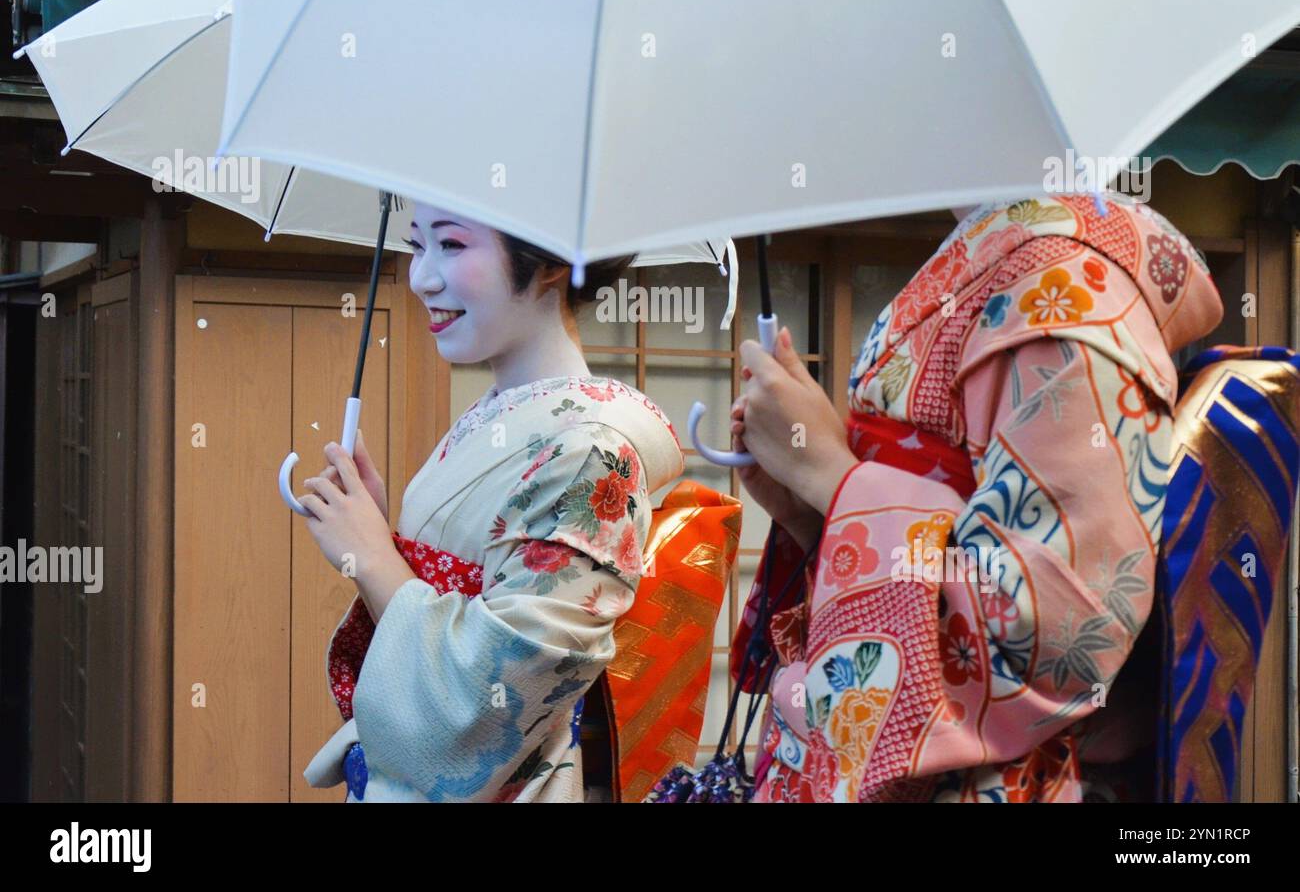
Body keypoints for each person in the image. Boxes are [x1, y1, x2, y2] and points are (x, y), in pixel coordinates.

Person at [728, 191, 1224, 802]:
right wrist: (814, 513)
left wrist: (836, 477)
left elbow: (1057, 628)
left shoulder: (1063, 282)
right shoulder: (995, 257)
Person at [298, 203, 684, 802]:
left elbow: (493, 696)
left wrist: (374, 557)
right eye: (416, 245)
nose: (422, 276)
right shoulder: (506, 413)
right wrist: (381, 535)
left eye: (451, 245)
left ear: (551, 258)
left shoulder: (593, 450)